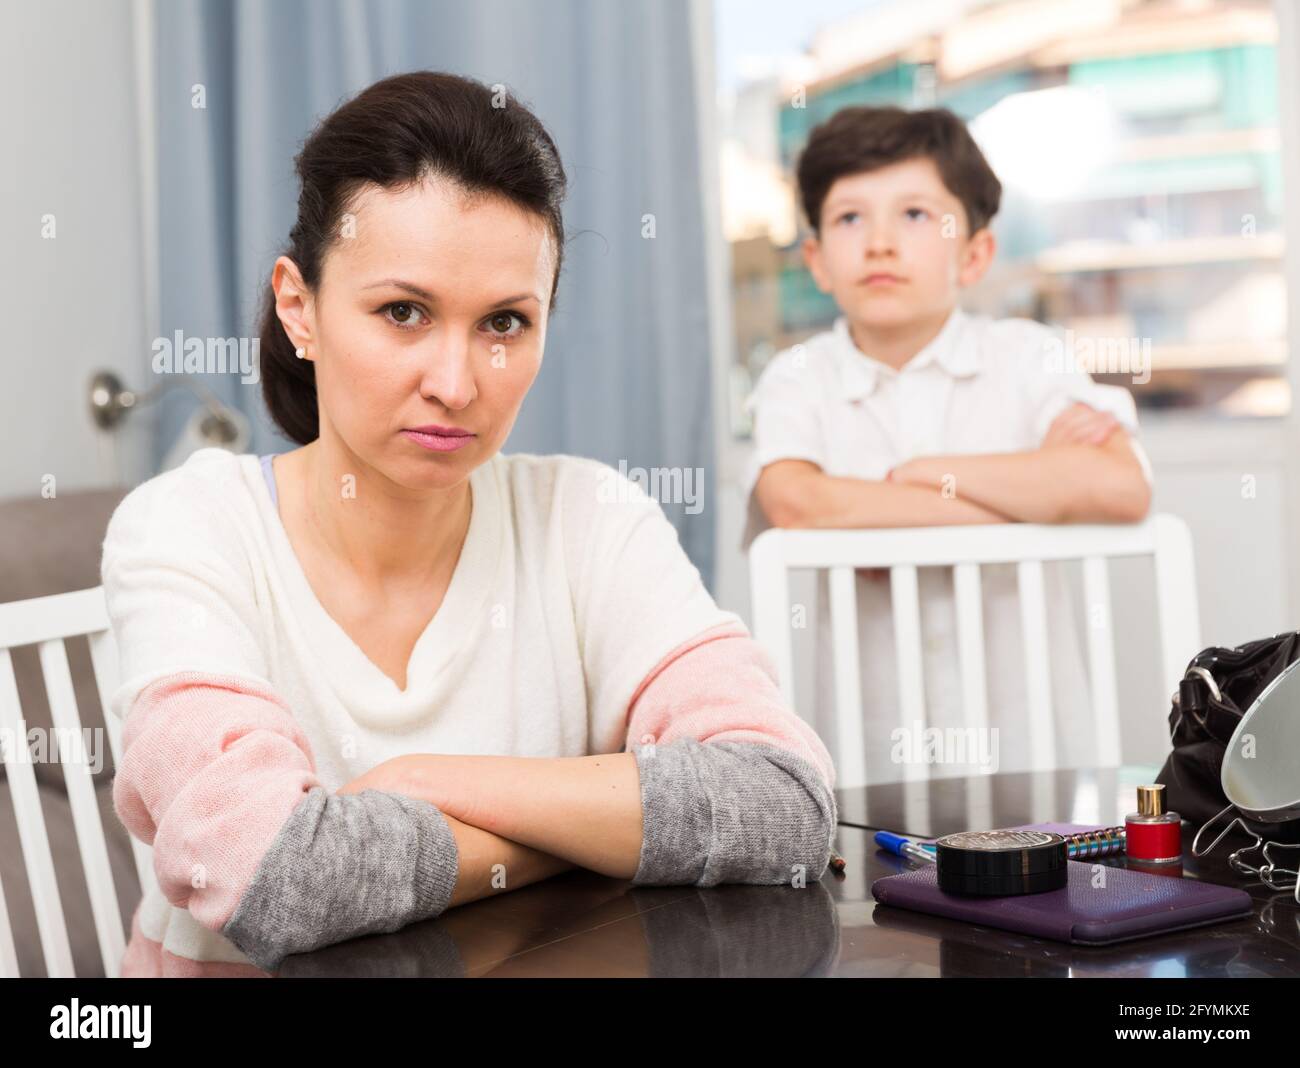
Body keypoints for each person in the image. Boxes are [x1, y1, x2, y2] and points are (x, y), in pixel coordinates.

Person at [103, 70, 836, 978]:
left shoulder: (589, 518)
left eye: (504, 322)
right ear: (300, 308)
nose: (455, 383)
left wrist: (433, 781)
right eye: (403, 312)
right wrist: (581, 835)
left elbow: (782, 802)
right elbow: (276, 876)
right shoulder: (185, 527)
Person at [741, 105, 1153, 786]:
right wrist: (1030, 495)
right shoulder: (798, 377)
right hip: (872, 757)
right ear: (815, 260)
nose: (879, 243)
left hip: (1033, 745)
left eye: (915, 215)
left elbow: (1119, 487)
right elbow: (797, 503)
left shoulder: (1030, 357)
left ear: (976, 253)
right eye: (849, 218)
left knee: (1053, 853)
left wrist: (921, 474)